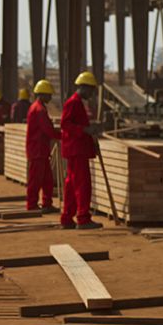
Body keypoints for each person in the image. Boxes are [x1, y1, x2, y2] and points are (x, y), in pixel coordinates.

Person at [60, 71, 103, 230]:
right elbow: (65, 124)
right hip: (76, 151)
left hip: (76, 150)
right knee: (83, 185)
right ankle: (83, 218)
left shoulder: (77, 103)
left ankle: (67, 218)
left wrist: (90, 135)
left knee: (71, 185)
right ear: (84, 87)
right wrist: (85, 130)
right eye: (91, 90)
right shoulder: (73, 102)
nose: (91, 94)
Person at [25, 80, 61, 213]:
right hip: (37, 150)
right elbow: (48, 129)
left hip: (41, 150)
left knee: (47, 180)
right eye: (49, 95)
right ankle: (31, 205)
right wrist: (63, 135)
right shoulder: (39, 110)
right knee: (35, 179)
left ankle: (47, 203)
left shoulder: (39, 107)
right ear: (42, 94)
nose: (50, 97)